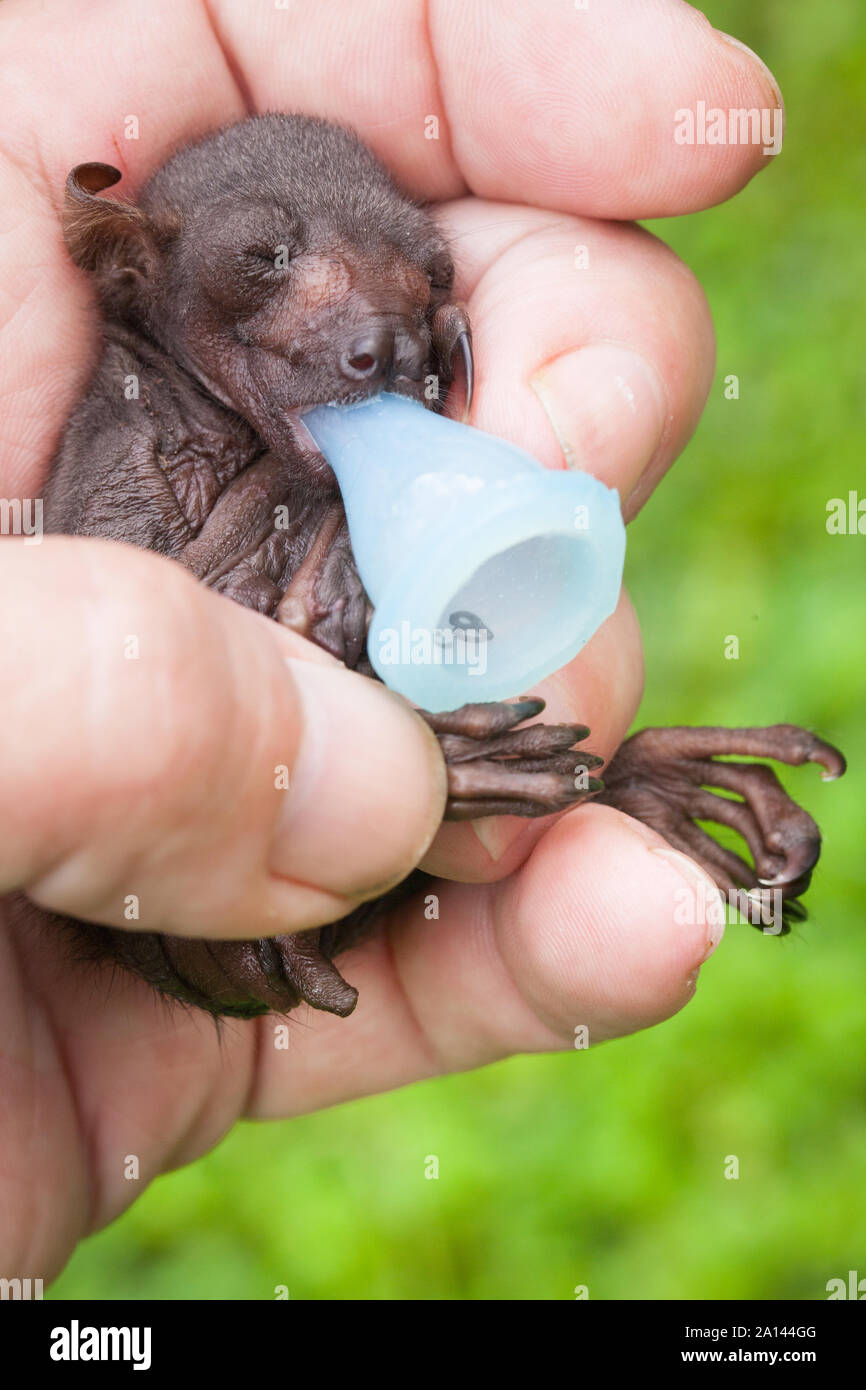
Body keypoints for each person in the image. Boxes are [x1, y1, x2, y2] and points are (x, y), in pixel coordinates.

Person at [0, 0, 782, 1278]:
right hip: (180, 906)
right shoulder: (133, 439)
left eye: (415, 286)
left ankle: (589, 779)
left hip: (301, 892)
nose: (367, 333)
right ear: (133, 263)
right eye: (267, 264)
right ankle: (568, 777)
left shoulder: (308, 471)